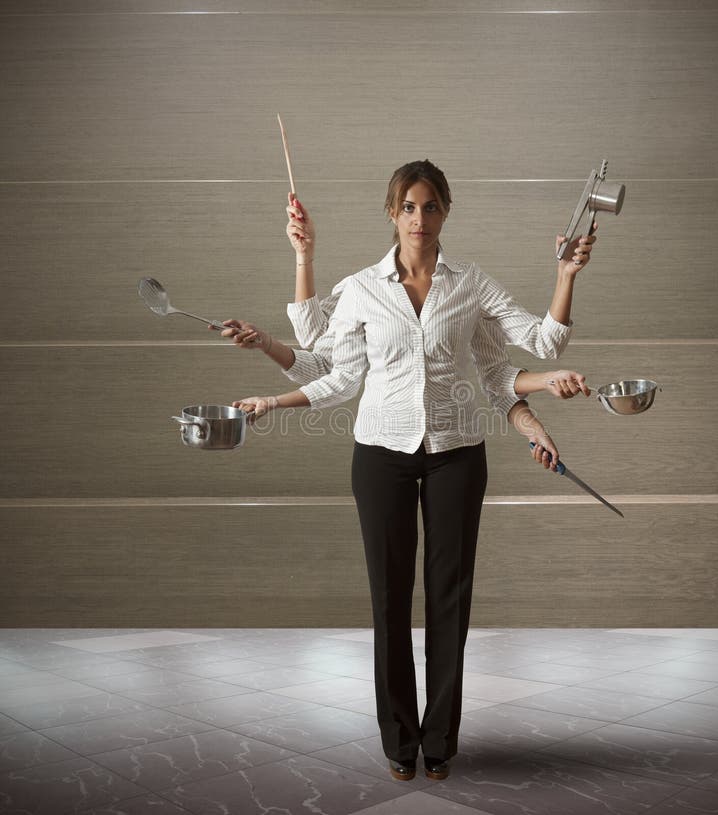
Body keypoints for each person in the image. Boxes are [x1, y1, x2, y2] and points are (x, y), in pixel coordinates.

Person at [224, 160, 596, 781]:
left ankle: (441, 741)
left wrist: (565, 275)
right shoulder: (364, 287)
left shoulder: (471, 285)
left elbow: (533, 353)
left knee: (451, 598)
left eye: (429, 207)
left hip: (457, 454)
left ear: (446, 211)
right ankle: (399, 740)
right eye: (408, 208)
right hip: (380, 457)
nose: (419, 219)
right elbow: (330, 374)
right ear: (392, 214)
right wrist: (269, 385)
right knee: (390, 599)